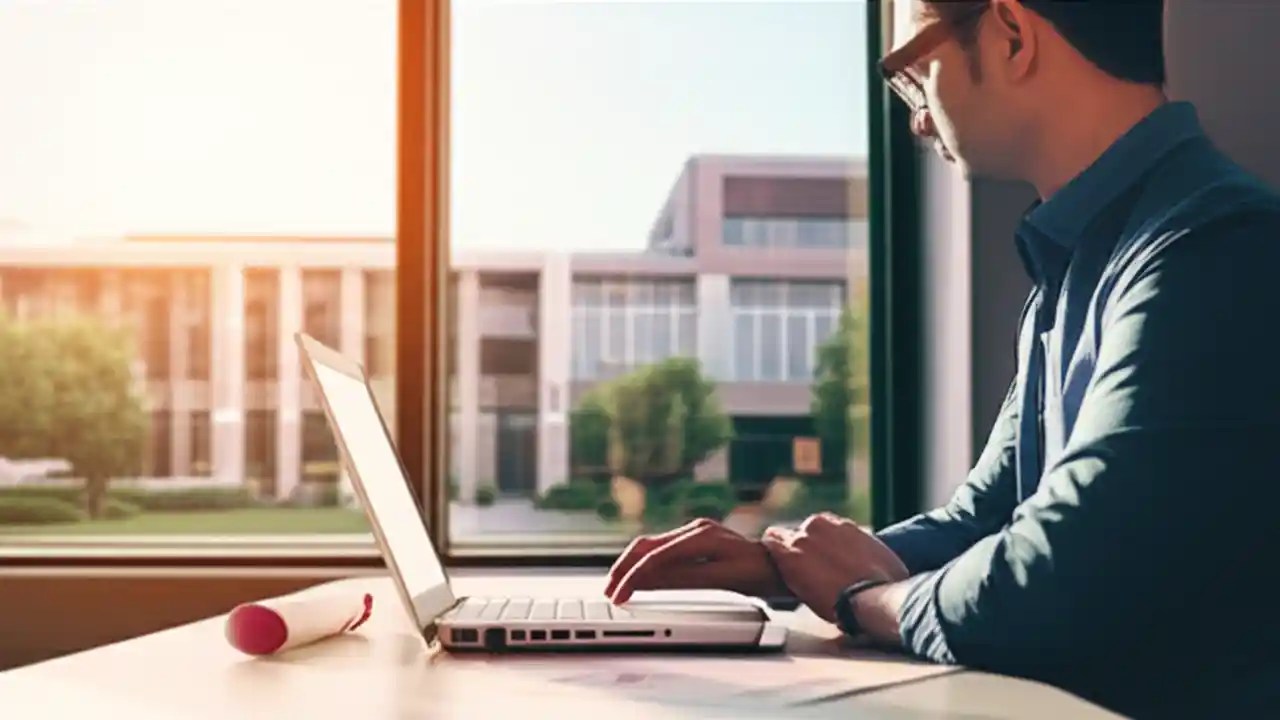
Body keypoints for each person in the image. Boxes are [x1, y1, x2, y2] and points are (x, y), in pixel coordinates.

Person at [604, 1, 1280, 716]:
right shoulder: (1081, 267)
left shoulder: (1212, 250)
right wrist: (786, 565)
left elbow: (1055, 575)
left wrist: (865, 600)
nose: (917, 117)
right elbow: (984, 522)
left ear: (1013, 36)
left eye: (913, 73)